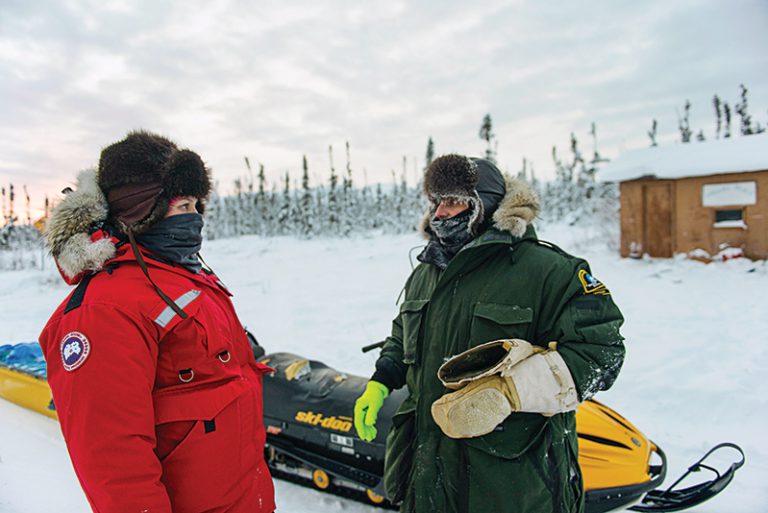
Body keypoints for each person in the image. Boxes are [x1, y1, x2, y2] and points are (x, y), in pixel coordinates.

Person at [353, 154, 625, 513]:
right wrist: (381, 380)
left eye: (454, 201)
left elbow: (601, 355)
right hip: (427, 476)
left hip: (511, 484)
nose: (441, 213)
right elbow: (404, 333)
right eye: (436, 202)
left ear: (487, 204)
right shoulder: (427, 270)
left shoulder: (548, 272)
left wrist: (508, 393)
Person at [39, 130, 275, 513]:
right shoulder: (104, 309)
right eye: (183, 205)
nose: (195, 219)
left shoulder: (185, 277)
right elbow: (115, 464)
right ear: (140, 208)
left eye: (199, 206)